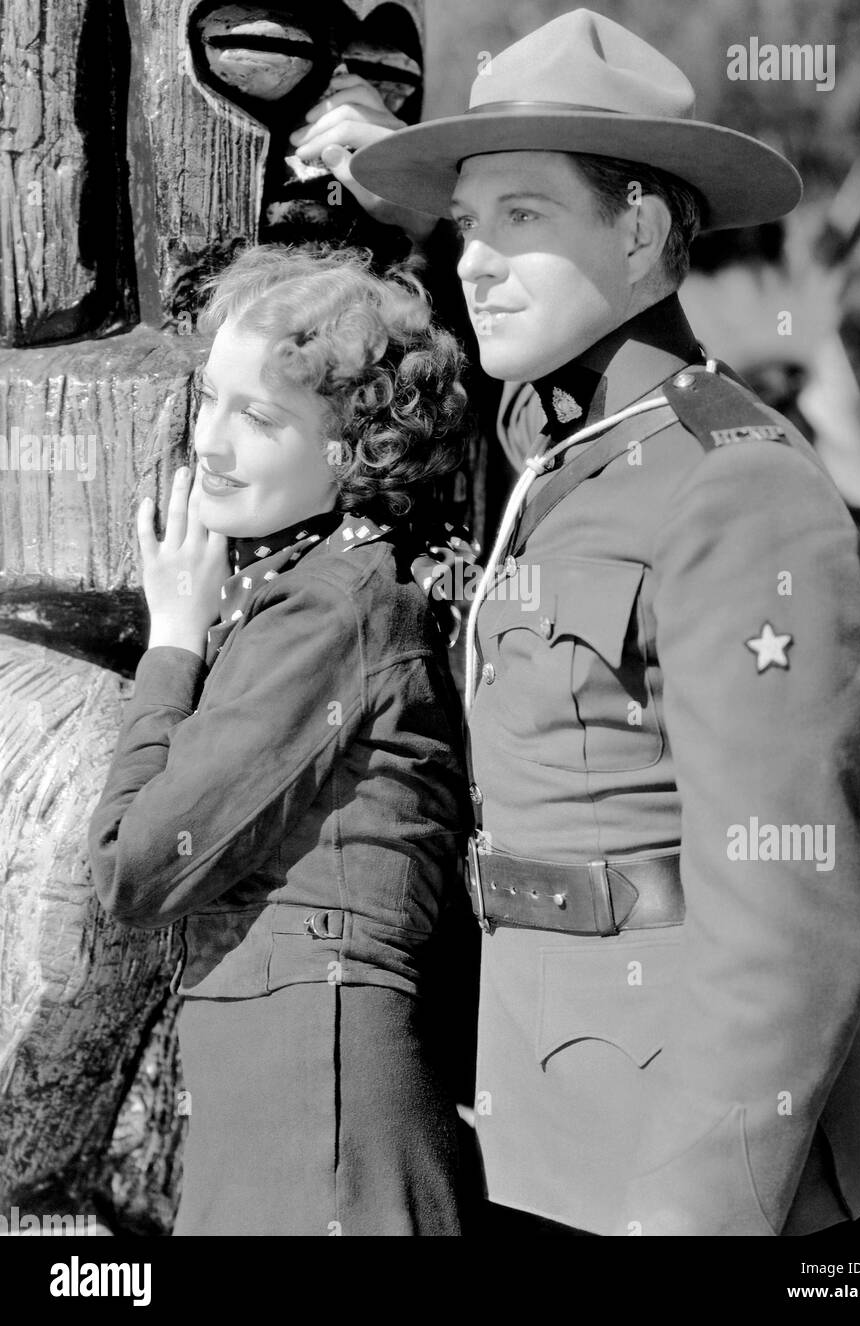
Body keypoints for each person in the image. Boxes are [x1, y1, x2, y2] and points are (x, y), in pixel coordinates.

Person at [348, 8, 860, 1235]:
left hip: (685, 1164)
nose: (474, 261)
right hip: (541, 1130)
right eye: (467, 224)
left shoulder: (732, 477)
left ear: (641, 225)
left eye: (522, 218)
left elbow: (787, 915)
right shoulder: (550, 456)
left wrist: (693, 1210)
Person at [87, 245, 472, 1236]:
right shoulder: (296, 597)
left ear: (358, 449)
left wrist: (171, 642)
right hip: (286, 1088)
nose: (210, 442)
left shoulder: (329, 612)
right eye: (208, 399)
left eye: (259, 418)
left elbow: (135, 866)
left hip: (320, 1102)